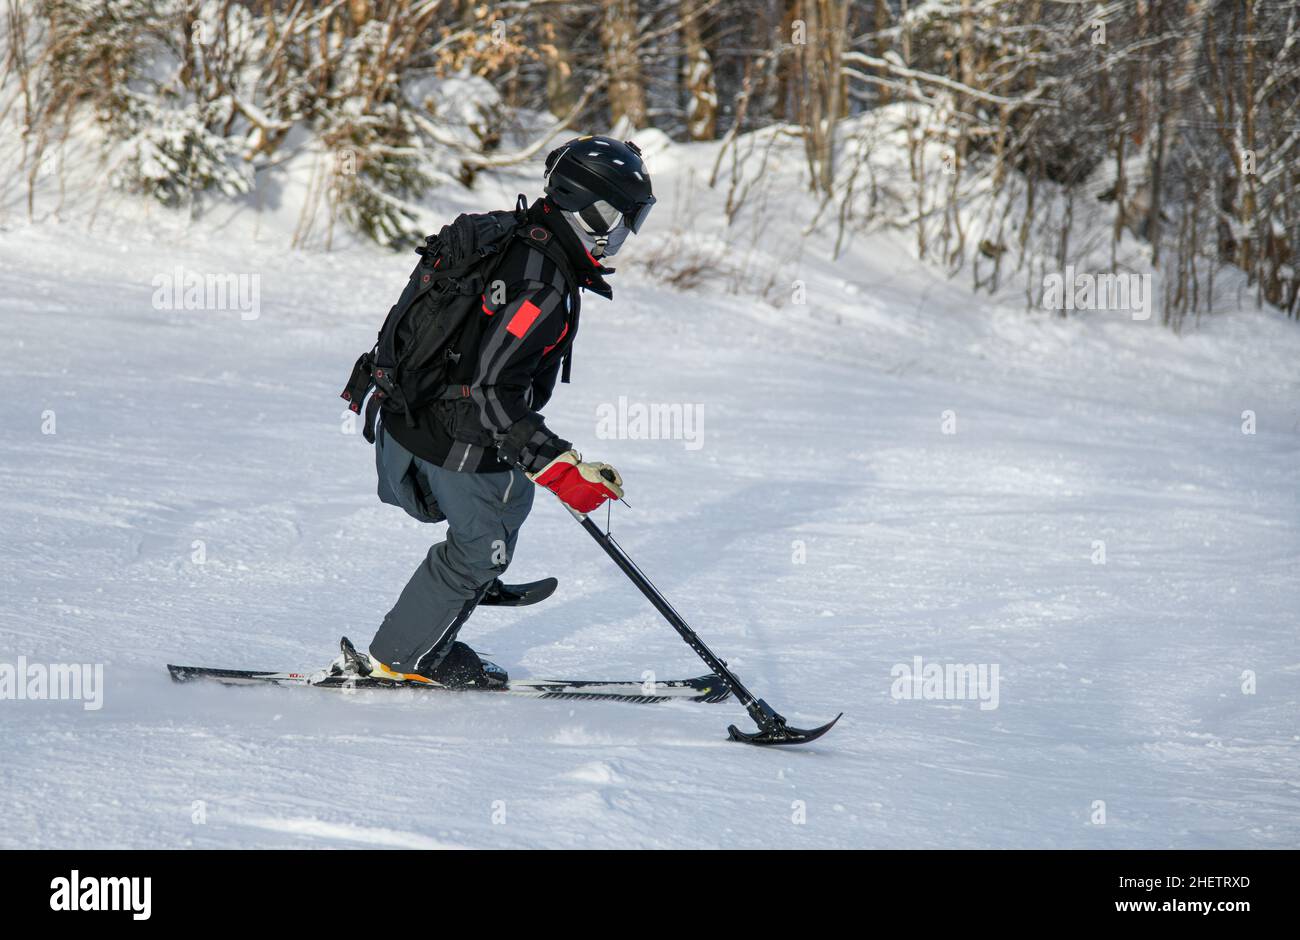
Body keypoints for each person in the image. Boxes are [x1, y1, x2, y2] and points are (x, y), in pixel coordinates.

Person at [347, 135, 655, 688]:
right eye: (620, 218)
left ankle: (468, 581)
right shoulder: (541, 284)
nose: (622, 235)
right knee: (479, 548)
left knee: (515, 494)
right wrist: (559, 463)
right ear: (588, 210)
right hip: (450, 444)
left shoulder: (506, 235)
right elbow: (491, 393)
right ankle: (400, 661)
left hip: (403, 425)